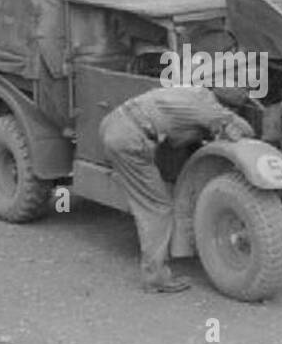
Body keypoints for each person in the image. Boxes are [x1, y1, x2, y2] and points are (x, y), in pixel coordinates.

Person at [100, 87, 254, 293]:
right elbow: (244, 131)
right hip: (130, 139)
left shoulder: (190, 93)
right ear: (223, 103)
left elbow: (176, 137)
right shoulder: (209, 108)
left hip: (115, 123)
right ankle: (155, 279)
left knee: (150, 196)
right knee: (157, 207)